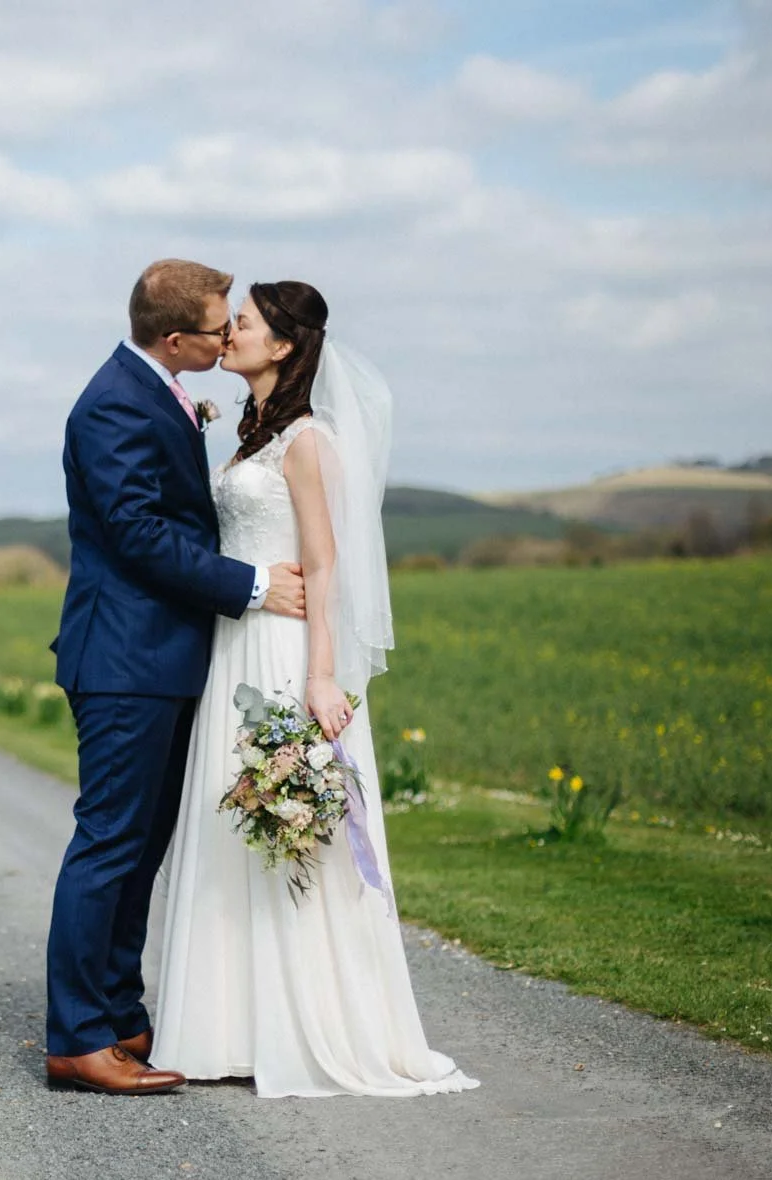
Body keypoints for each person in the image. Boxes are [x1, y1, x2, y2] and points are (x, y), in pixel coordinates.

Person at [149, 279, 480, 1098]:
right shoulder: (249, 435)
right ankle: (225, 1025)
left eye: (248, 322)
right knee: (234, 827)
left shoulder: (306, 441)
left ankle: (307, 1022)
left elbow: (326, 564)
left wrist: (321, 676)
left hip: (282, 651)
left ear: (286, 345)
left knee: (288, 829)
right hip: (235, 645)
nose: (231, 331)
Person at [44, 259, 308, 1095]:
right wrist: (256, 586)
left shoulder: (157, 390)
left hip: (159, 659)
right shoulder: (114, 402)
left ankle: (121, 1015)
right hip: (123, 660)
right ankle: (78, 1037)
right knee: (110, 843)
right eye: (218, 328)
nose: (229, 336)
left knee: (142, 847)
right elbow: (138, 536)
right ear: (174, 339)